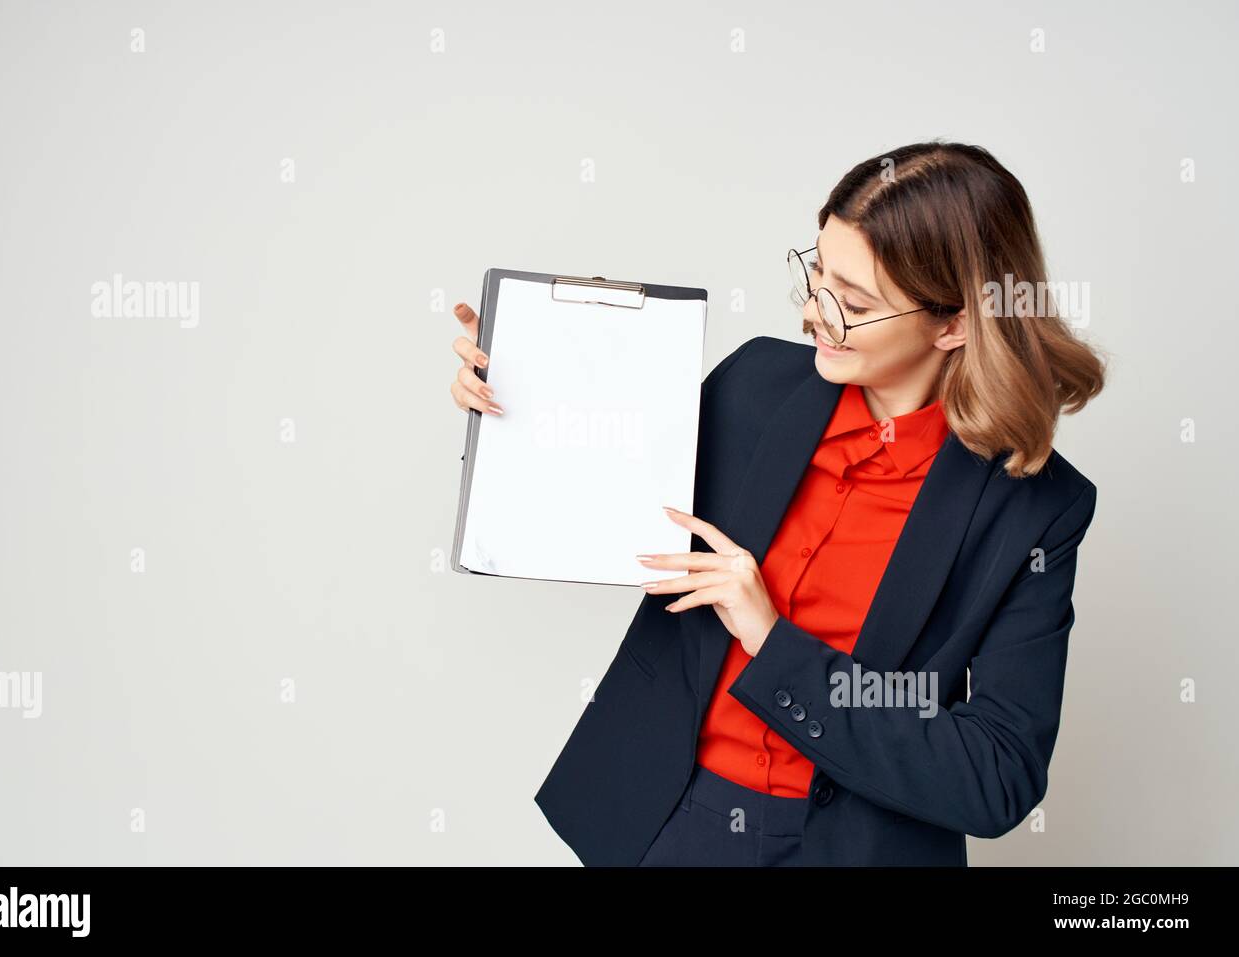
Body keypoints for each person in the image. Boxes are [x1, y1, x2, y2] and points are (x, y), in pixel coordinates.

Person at [448, 141, 1106, 866]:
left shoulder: (1035, 509)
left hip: (860, 846)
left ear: (953, 324)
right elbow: (597, 490)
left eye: (853, 304)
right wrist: (521, 387)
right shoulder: (755, 384)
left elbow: (997, 775)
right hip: (667, 820)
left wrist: (774, 641)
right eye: (817, 271)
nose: (815, 313)